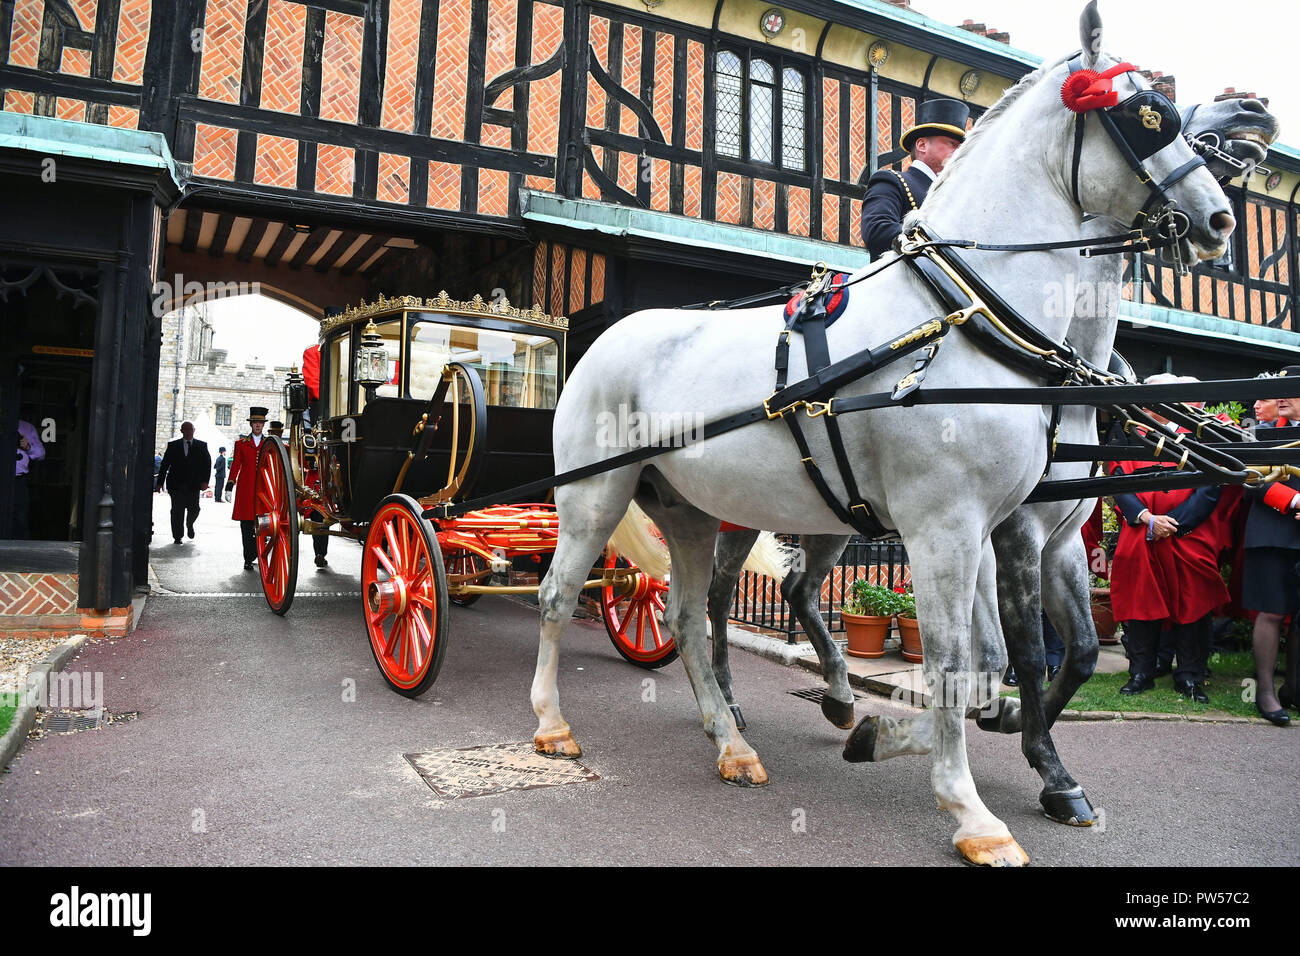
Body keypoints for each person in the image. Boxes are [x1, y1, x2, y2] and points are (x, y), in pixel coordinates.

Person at [1108, 388, 1228, 702]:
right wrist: (1146, 518)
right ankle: (1141, 673)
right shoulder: (1130, 435)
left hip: (1189, 536)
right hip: (1142, 534)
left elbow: (1210, 487)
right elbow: (1118, 479)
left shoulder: (1202, 437)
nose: (1145, 406)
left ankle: (1189, 677)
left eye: (1153, 400)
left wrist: (1172, 523)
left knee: (1193, 607)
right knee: (1141, 606)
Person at [1241, 366, 1300, 726]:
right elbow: (1253, 479)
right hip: (1271, 533)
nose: (1280, 397)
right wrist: (1295, 503)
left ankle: (1294, 688)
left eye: (1289, 390)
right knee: (1272, 612)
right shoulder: (1259, 433)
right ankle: (1265, 691)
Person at [860, 98, 969, 260]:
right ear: (922, 145)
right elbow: (876, 230)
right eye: (952, 144)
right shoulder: (891, 180)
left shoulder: (956, 195)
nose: (958, 151)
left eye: (961, 147)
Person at [156, 421, 212, 544]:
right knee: (177, 510)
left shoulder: (202, 446)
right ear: (181, 431)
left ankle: (189, 524)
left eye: (190, 429)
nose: (188, 432)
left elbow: (207, 464)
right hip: (176, 485)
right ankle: (177, 536)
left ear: (194, 430)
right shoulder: (173, 446)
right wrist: (159, 483)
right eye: (185, 429)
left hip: (194, 484)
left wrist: (205, 481)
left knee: (195, 509)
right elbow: (164, 465)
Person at [227, 407, 268, 571]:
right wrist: (230, 485)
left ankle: (259, 553)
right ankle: (248, 558)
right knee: (246, 526)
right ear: (251, 425)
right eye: (255, 423)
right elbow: (236, 465)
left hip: (264, 489)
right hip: (246, 489)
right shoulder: (241, 444)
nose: (257, 426)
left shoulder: (269, 444)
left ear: (263, 425)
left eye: (260, 423)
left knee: (263, 524)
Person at [13, 419, 46, 539]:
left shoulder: (27, 427)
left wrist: (27, 447)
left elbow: (41, 454)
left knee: (19, 518)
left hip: (18, 481)